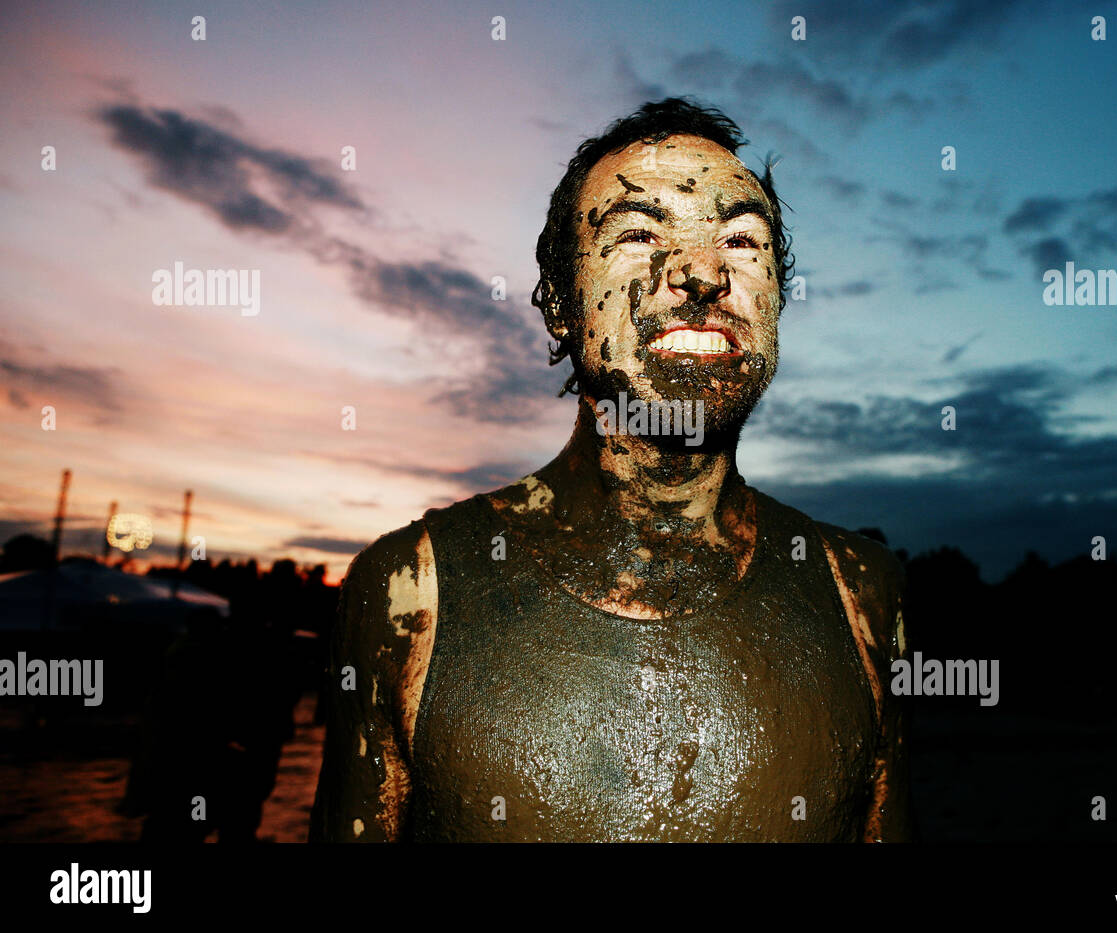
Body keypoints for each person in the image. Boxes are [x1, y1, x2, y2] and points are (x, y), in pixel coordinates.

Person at [310, 98, 914, 842]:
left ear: (779, 302)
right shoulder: (411, 592)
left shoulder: (860, 593)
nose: (701, 271)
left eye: (742, 240)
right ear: (562, 304)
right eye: (637, 232)